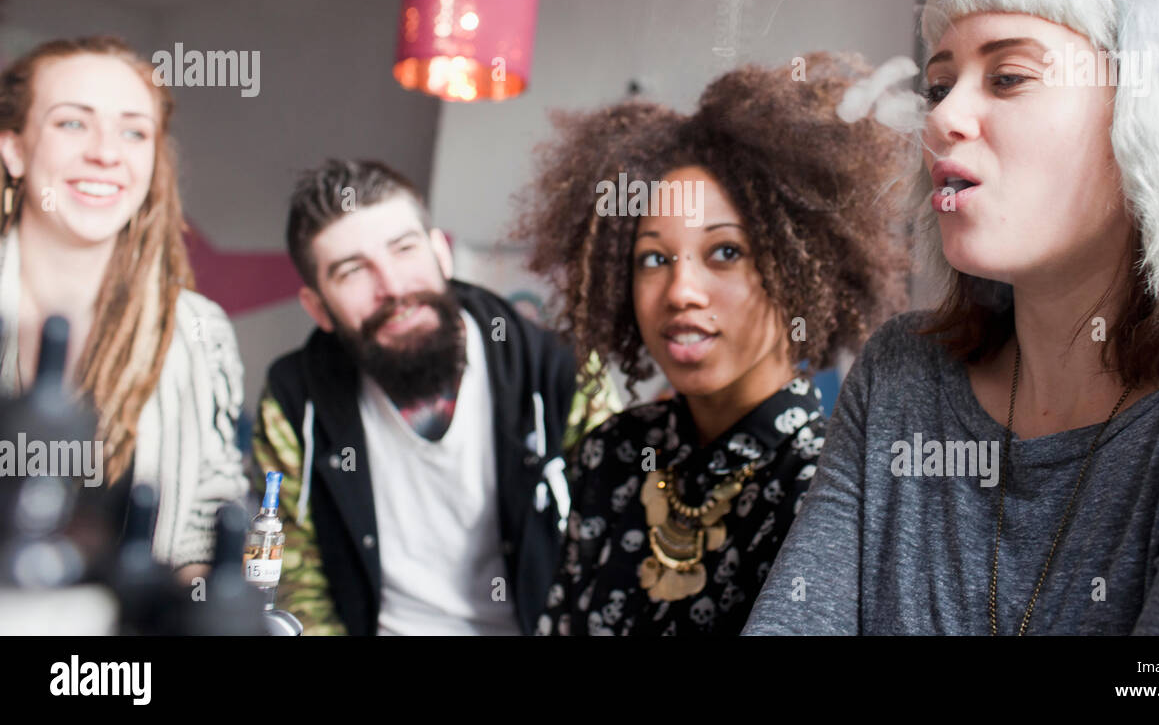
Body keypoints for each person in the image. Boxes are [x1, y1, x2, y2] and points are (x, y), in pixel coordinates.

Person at [744, 0, 1159, 635]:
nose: (942, 117)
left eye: (1008, 77)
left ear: (1153, 111)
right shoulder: (902, 375)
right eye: (939, 84)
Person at [514, 55, 910, 635]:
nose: (680, 291)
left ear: (804, 267)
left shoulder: (830, 487)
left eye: (725, 251)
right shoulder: (613, 453)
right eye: (654, 258)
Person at [252, 158, 618, 635]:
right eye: (352, 271)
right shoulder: (295, 401)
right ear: (318, 308)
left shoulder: (556, 371)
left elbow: (613, 542)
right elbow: (296, 577)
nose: (393, 288)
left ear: (442, 254)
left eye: (404, 250)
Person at [0, 37, 246, 575]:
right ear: (13, 149)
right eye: (71, 123)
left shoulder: (197, 331)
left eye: (134, 131)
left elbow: (206, 533)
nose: (106, 153)